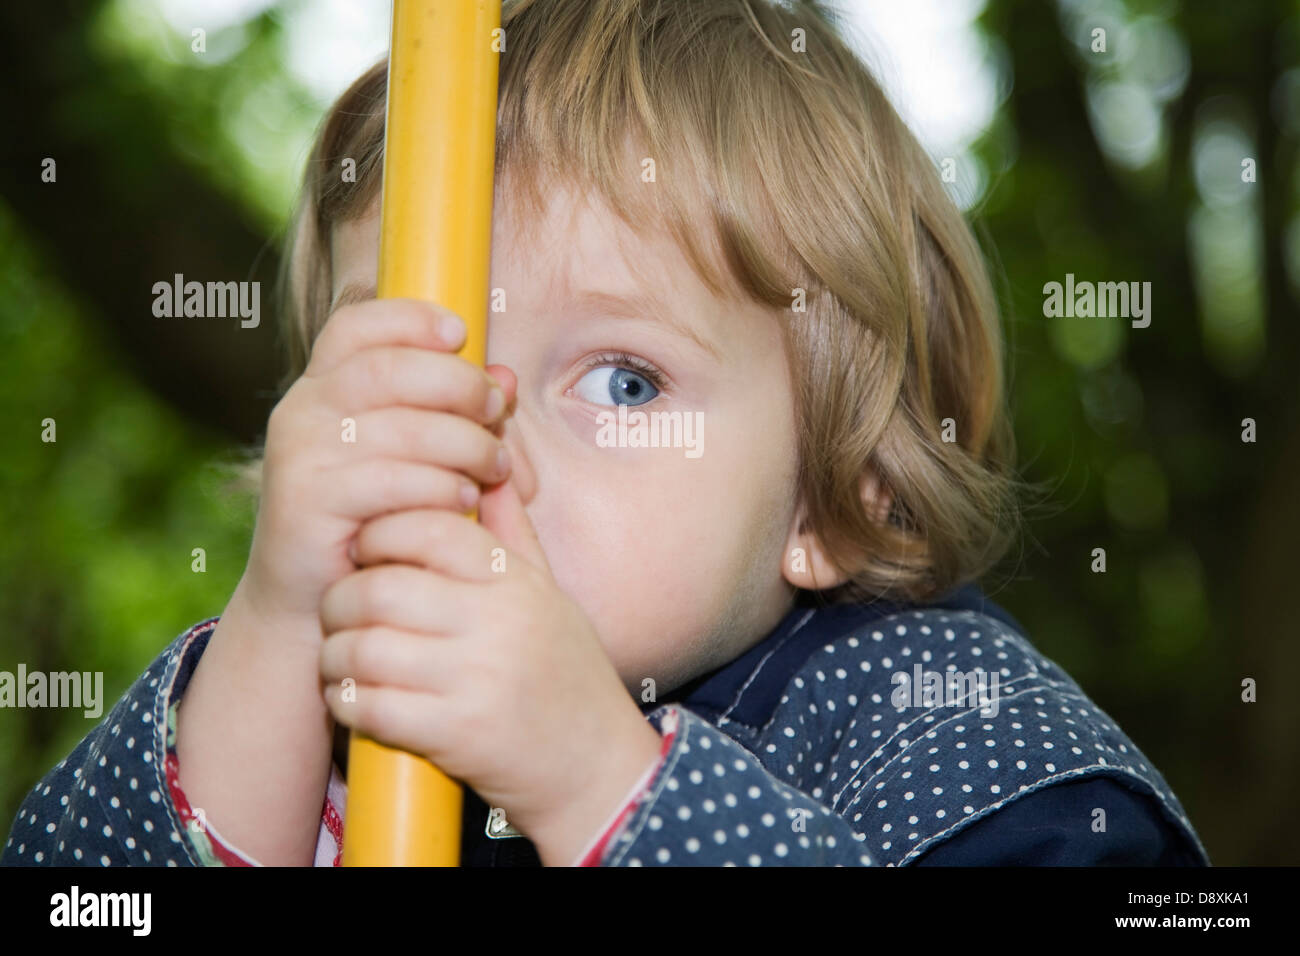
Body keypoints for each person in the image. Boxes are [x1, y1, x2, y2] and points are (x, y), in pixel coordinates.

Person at [3, 0, 1209, 867]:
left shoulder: (971, 750)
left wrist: (602, 790)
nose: (475, 439)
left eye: (625, 382)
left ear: (843, 494)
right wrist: (270, 638)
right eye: (403, 368)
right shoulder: (323, 714)